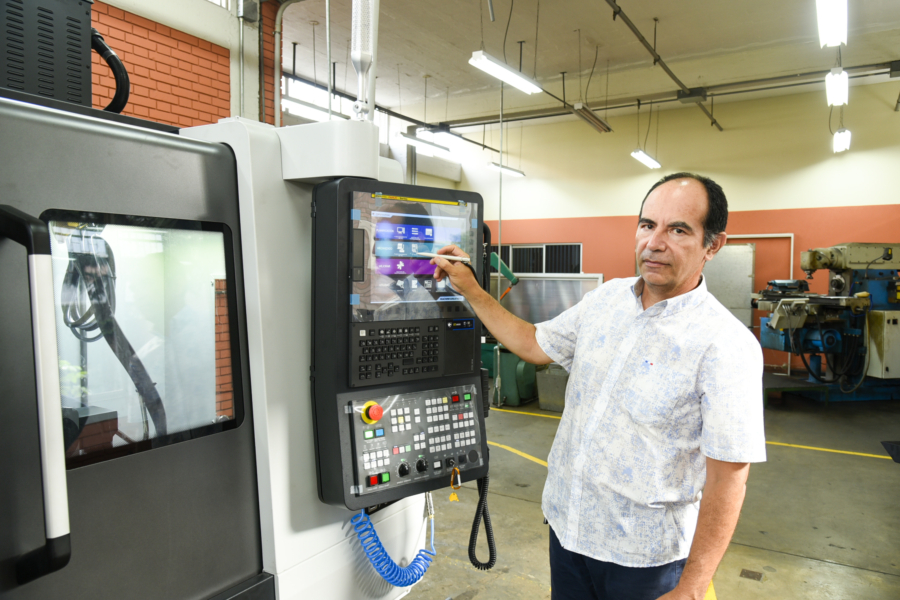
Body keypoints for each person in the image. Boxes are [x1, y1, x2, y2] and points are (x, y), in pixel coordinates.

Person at [430, 173, 766, 600]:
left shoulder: (724, 344)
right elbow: (534, 342)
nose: (655, 242)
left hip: (645, 562)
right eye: (647, 225)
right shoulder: (606, 300)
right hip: (568, 533)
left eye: (678, 230)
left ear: (712, 245)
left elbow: (729, 477)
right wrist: (473, 290)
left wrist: (692, 588)